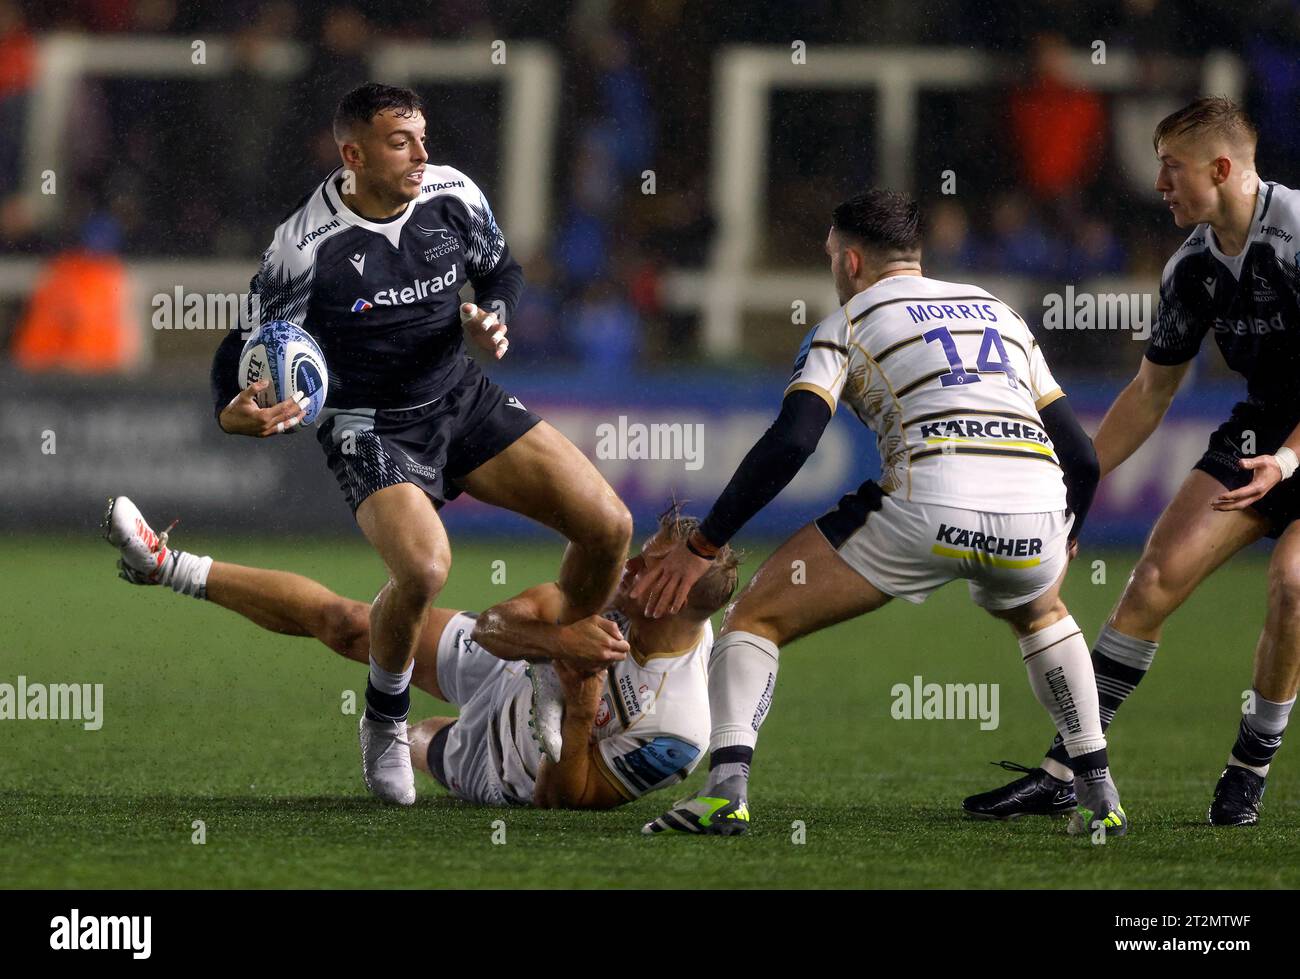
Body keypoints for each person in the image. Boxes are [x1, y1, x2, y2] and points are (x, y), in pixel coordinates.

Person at [632, 188, 1115, 837]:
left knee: (756, 615)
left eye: (833, 257)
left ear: (851, 262)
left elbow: (794, 440)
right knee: (1040, 611)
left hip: (932, 499)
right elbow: (1082, 455)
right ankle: (1099, 794)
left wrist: (704, 545)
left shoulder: (847, 323)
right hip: (1039, 509)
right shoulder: (999, 312)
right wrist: (1069, 533)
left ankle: (724, 793)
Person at [208, 83, 632, 805]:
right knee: (427, 568)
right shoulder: (304, 246)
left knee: (609, 525)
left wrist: (494, 313)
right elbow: (244, 345)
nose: (422, 153)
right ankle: (384, 717)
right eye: (401, 141)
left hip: (463, 400)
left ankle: (554, 671)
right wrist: (231, 411)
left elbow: (502, 268)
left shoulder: (451, 194)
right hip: (371, 426)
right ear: (354, 154)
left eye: (423, 137)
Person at [965, 97, 1300, 827]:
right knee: (1153, 580)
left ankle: (1250, 764)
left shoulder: (1298, 233)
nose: (1159, 183)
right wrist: (1063, 485)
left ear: (1220, 168)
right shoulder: (1192, 267)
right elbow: (1150, 394)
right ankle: (1065, 768)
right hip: (1261, 436)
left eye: (1172, 167)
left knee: (1291, 584)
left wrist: (1288, 457)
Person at [103, 496, 739, 809]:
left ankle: (419, 740)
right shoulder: (612, 597)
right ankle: (167, 565)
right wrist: (556, 644)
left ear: (669, 596)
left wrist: (578, 710)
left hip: (508, 767)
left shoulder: (680, 728)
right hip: (514, 668)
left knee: (415, 744)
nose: (627, 566)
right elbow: (495, 625)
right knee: (357, 624)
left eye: (646, 564)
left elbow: (561, 804)